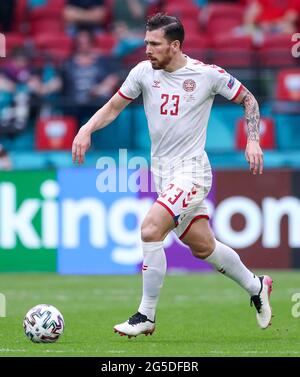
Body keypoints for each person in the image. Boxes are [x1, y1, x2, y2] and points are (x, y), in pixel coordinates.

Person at [72, 13, 273, 338]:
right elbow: (112, 107)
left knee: (151, 228)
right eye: (146, 42)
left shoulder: (206, 75)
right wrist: (86, 129)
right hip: (163, 175)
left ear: (175, 45)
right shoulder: (142, 73)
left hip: (192, 172)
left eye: (155, 44)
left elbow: (248, 99)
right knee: (203, 246)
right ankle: (257, 285)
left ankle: (146, 315)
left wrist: (253, 140)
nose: (147, 49)